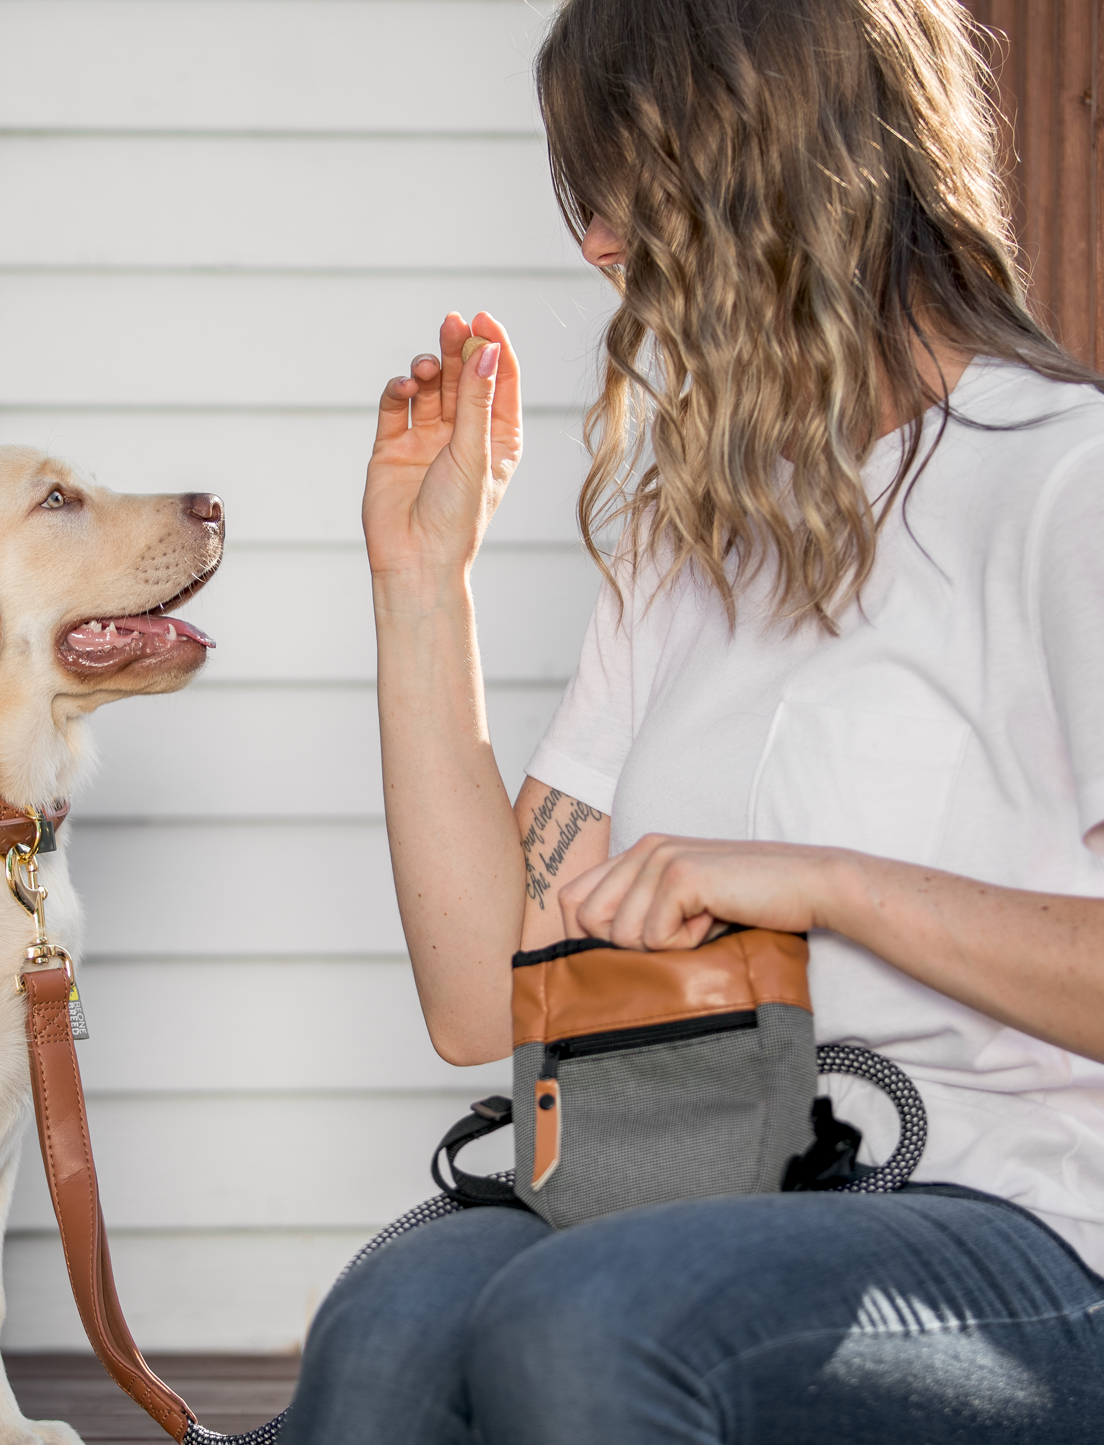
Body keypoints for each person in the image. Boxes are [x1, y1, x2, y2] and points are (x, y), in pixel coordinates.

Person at [279, 0, 1104, 1440]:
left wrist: (823, 884)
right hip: (702, 1179)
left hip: (1034, 1222)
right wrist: (422, 588)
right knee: (389, 1328)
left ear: (776, 154)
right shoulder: (698, 536)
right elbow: (486, 994)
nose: (595, 244)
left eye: (621, 183)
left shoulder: (1061, 484)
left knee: (587, 1318)